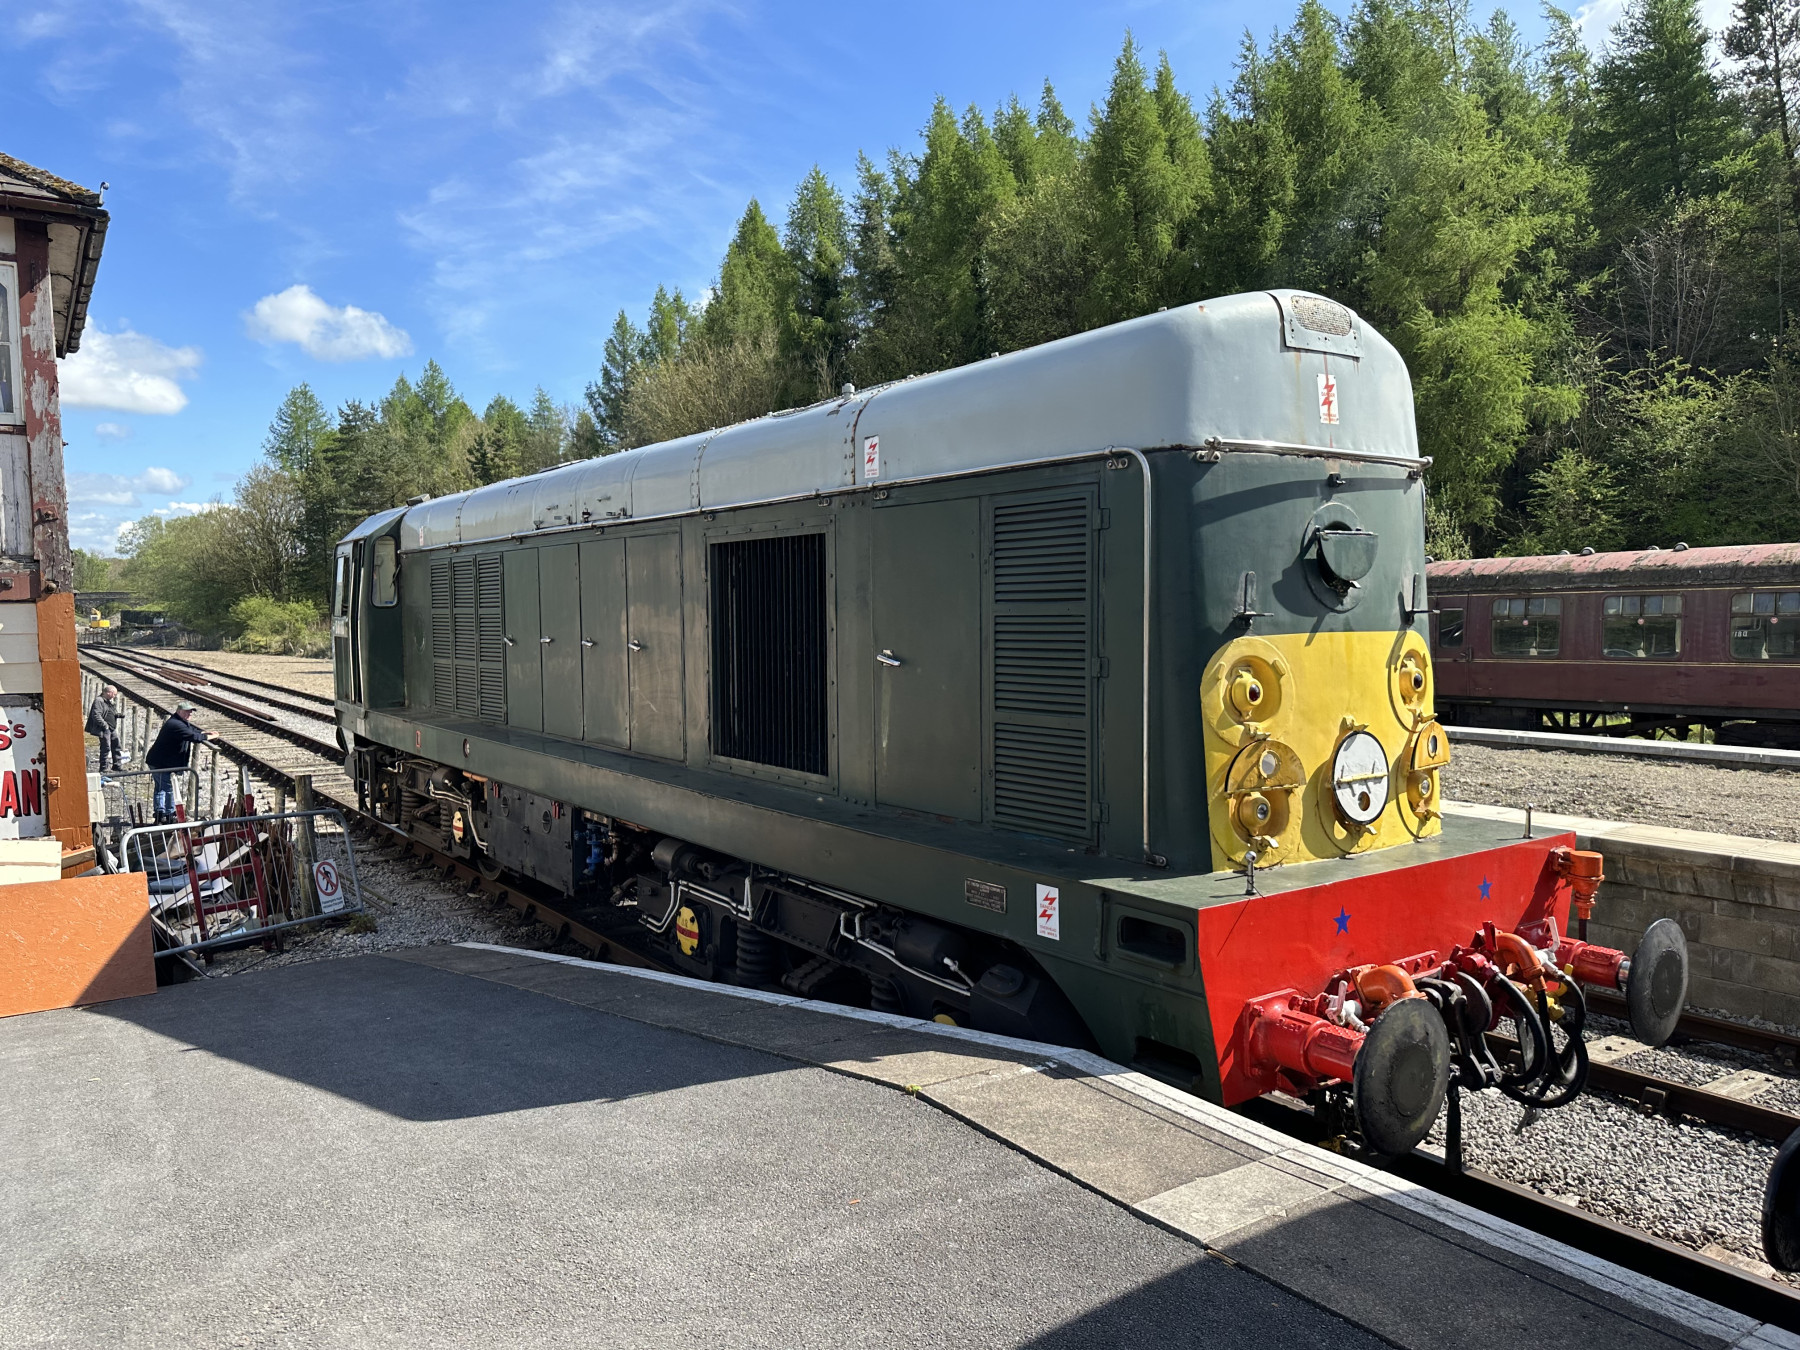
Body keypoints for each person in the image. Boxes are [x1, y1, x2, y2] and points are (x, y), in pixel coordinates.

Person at [145, 700, 210, 822]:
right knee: (166, 788)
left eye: (190, 712)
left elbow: (191, 732)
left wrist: (202, 733)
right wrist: (207, 736)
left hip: (161, 761)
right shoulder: (176, 724)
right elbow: (192, 737)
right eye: (186, 712)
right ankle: (168, 814)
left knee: (161, 787)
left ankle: (161, 812)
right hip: (159, 762)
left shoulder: (179, 722)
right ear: (179, 711)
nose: (189, 714)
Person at [85, 685, 127, 771]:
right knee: (106, 747)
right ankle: (104, 767)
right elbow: (96, 715)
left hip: (111, 728)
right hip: (104, 729)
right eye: (114, 694)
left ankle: (117, 765)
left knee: (116, 746)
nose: (114, 696)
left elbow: (108, 712)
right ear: (109, 693)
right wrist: (105, 725)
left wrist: (117, 715)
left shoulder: (107, 701)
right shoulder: (99, 701)